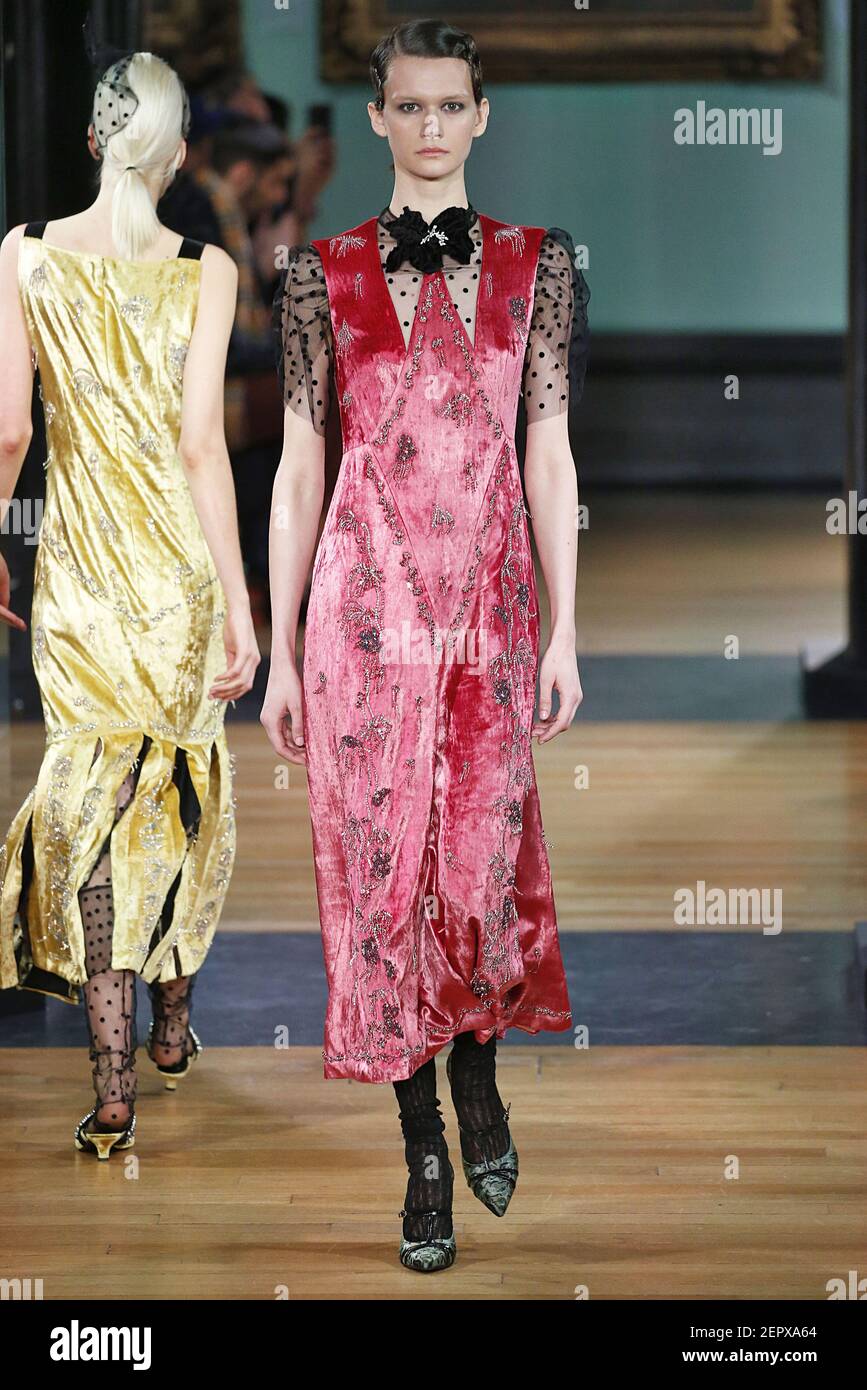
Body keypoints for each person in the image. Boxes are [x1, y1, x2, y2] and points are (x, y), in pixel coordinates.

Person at [263, 18, 588, 1270]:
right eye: (411, 107)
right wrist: (286, 649)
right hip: (361, 615)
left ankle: (484, 1079)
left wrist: (569, 627)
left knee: (476, 868)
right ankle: (420, 1155)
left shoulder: (536, 265)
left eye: (454, 106)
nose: (434, 127)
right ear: (382, 118)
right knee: (380, 883)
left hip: (492, 612)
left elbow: (549, 452)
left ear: (483, 116)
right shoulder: (318, 274)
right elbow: (300, 467)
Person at [0, 50, 259, 1159]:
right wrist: (244, 607)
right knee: (180, 780)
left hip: (81, 587)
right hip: (174, 579)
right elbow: (205, 449)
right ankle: (170, 1021)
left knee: (95, 809)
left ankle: (112, 1088)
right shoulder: (206, 269)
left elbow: (11, 433)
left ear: (97, 139)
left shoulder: (24, 257)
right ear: (179, 152)